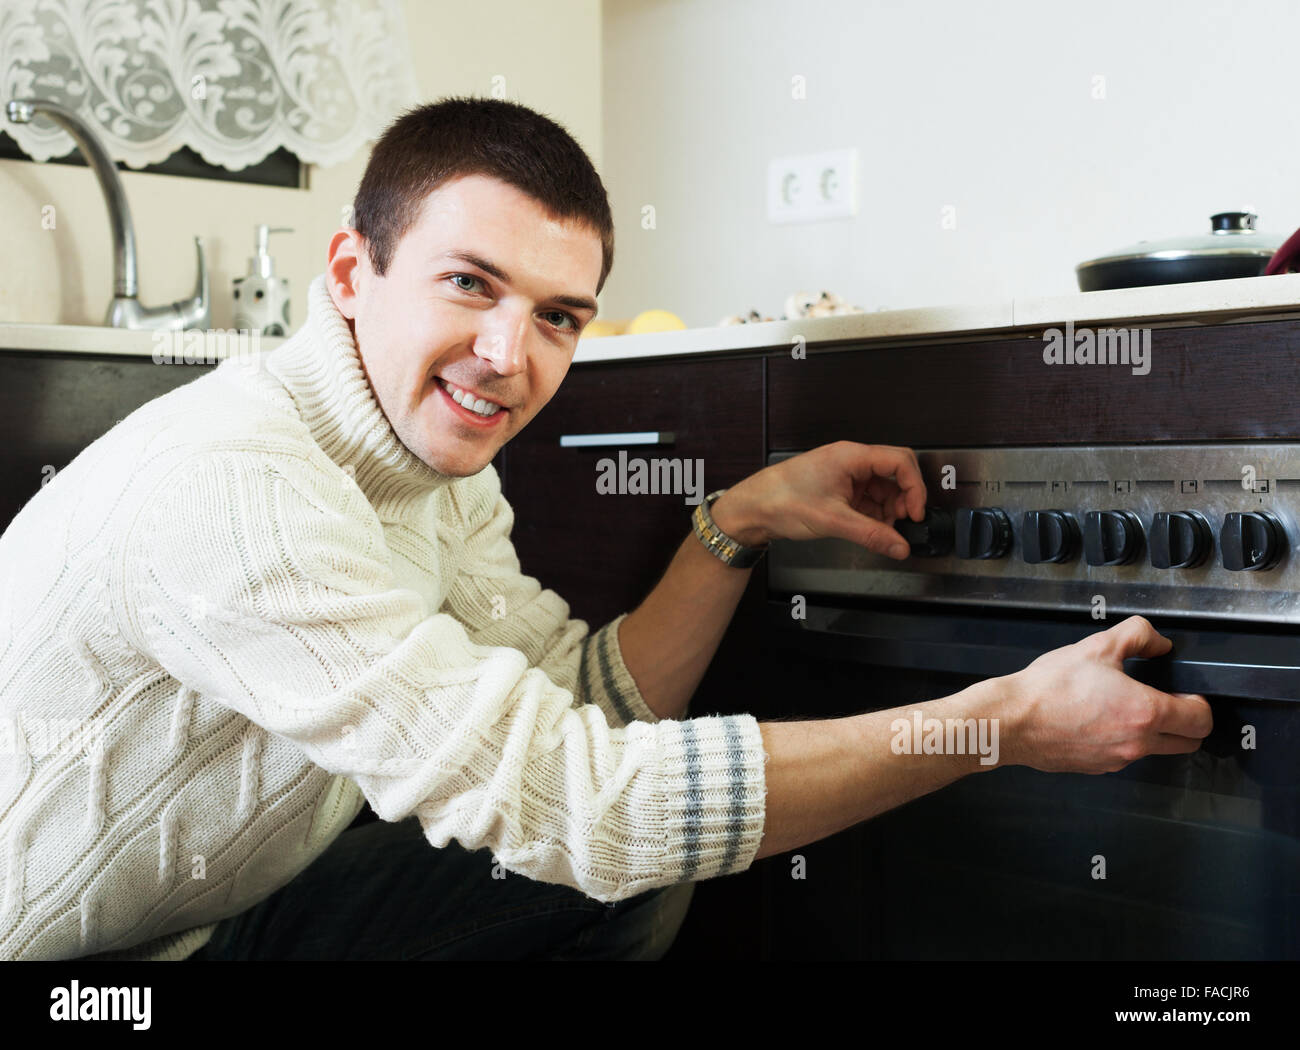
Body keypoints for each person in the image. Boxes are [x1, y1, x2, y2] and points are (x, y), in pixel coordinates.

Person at [0, 96, 1212, 962]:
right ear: (350, 271)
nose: (506, 358)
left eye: (558, 317)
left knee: (622, 888)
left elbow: (584, 707)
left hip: (208, 923)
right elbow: (587, 804)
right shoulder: (239, 489)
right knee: (607, 850)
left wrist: (734, 525)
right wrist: (999, 725)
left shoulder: (433, 465)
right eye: (470, 283)